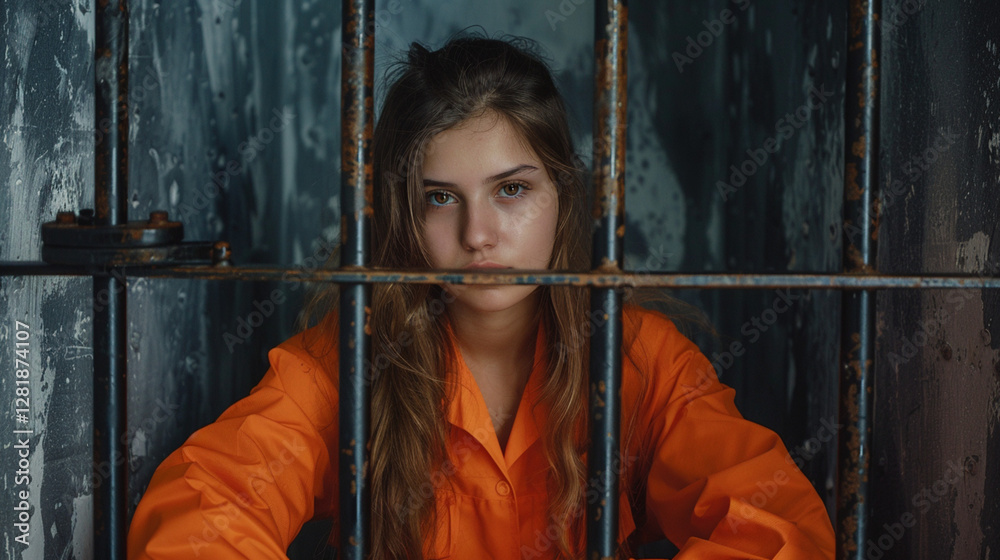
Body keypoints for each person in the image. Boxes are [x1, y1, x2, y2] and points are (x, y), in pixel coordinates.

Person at [127, 35, 835, 559]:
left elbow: (778, 528)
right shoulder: (351, 358)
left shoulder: (639, 360)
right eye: (440, 198)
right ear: (403, 215)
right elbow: (204, 504)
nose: (478, 234)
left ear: (563, 195)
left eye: (512, 189)